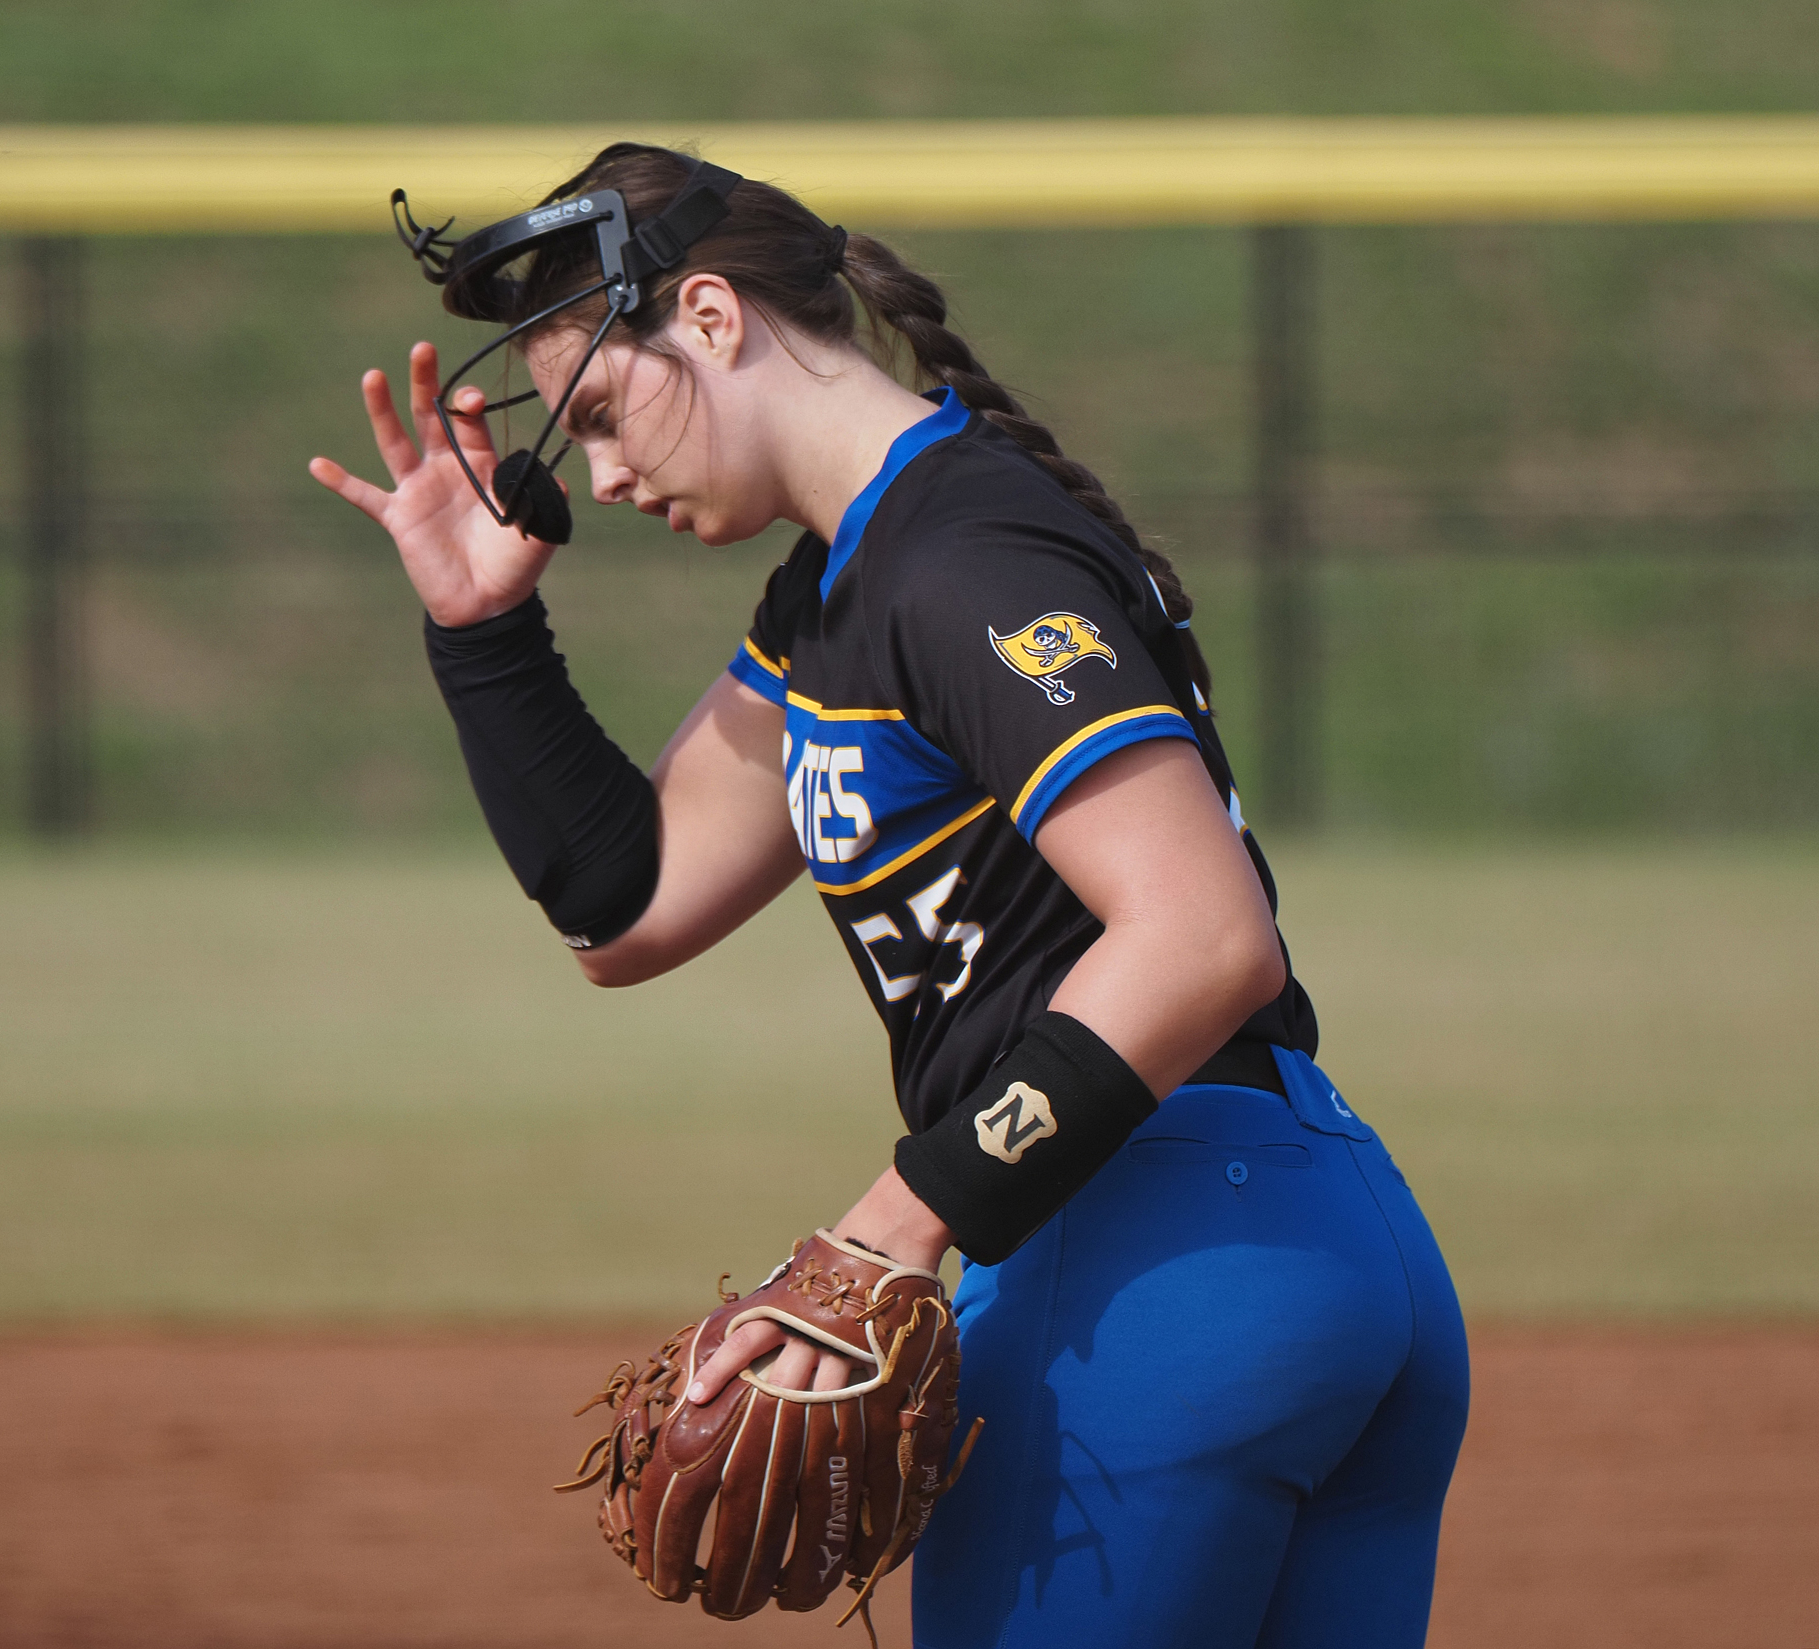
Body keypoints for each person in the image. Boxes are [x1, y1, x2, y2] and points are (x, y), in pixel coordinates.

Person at [310, 143, 1469, 1649]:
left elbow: (1203, 936)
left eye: (601, 408)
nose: (596, 474)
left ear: (712, 318)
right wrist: (485, 634)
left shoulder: (955, 557)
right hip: (1307, 1246)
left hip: (1141, 1268)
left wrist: (890, 1223)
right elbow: (630, 903)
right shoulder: (841, 593)